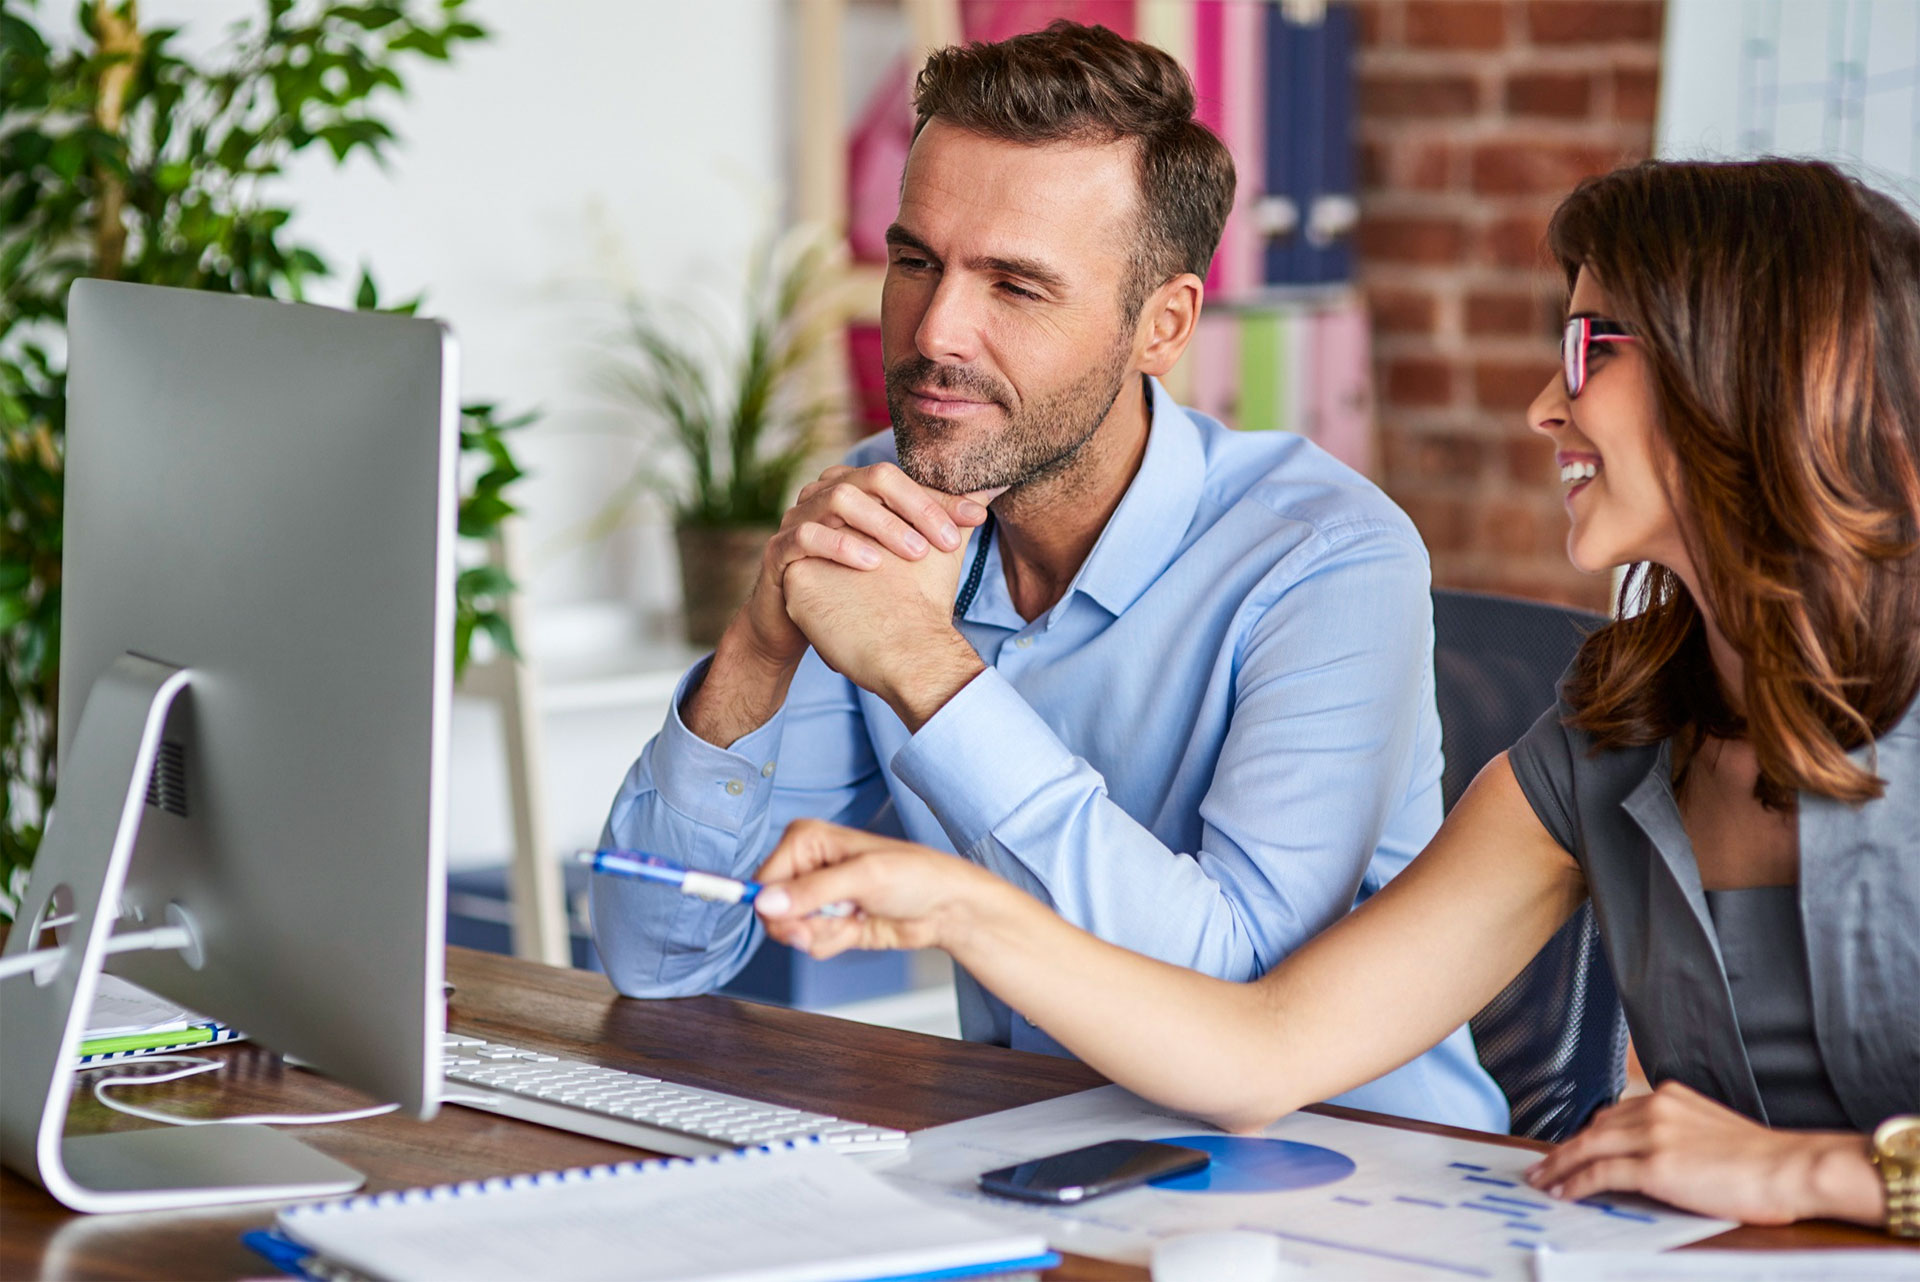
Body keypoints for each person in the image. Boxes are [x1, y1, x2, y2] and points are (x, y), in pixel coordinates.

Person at [751, 158, 1920, 1231]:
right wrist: (959, 908)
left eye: (1591, 352)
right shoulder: (1612, 737)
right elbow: (1265, 1047)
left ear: (1750, 376)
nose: (1543, 409)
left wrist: (1809, 1171)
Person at [591, 20, 1506, 1132]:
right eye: (916, 261)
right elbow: (655, 954)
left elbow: (1236, 1001)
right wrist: (760, 644)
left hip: (1366, 1184)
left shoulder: (1327, 557)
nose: (934, 331)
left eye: (1016, 286)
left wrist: (932, 671)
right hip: (1043, 1156)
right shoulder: (893, 507)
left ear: (1161, 325)